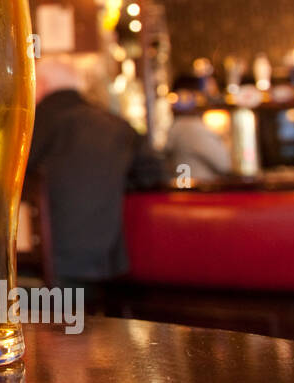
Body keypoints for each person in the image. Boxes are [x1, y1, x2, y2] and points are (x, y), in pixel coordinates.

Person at [25, 56, 163, 302]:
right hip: (108, 267)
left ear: (42, 84)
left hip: (38, 274)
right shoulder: (118, 126)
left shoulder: (31, 126)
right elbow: (154, 175)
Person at [164, 76, 232, 183]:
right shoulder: (192, 129)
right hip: (201, 192)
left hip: (187, 189)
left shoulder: (177, 126)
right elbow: (225, 164)